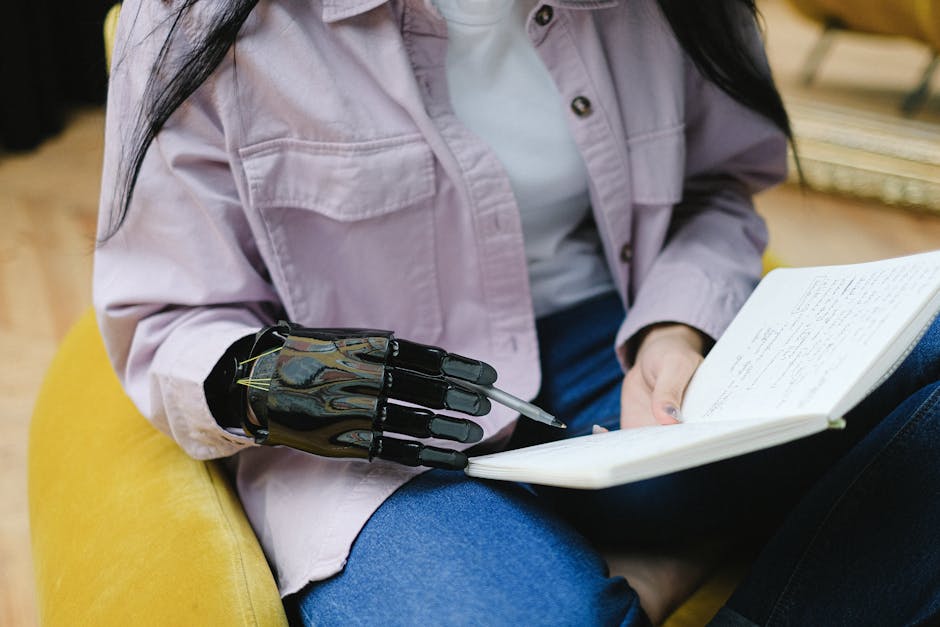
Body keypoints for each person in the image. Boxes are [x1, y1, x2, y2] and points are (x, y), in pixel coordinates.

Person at [94, 0, 940, 624]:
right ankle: (650, 564)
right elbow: (170, 317)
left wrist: (675, 330)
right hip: (375, 445)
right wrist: (295, 384)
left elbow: (716, 190)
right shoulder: (193, 26)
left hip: (618, 369)